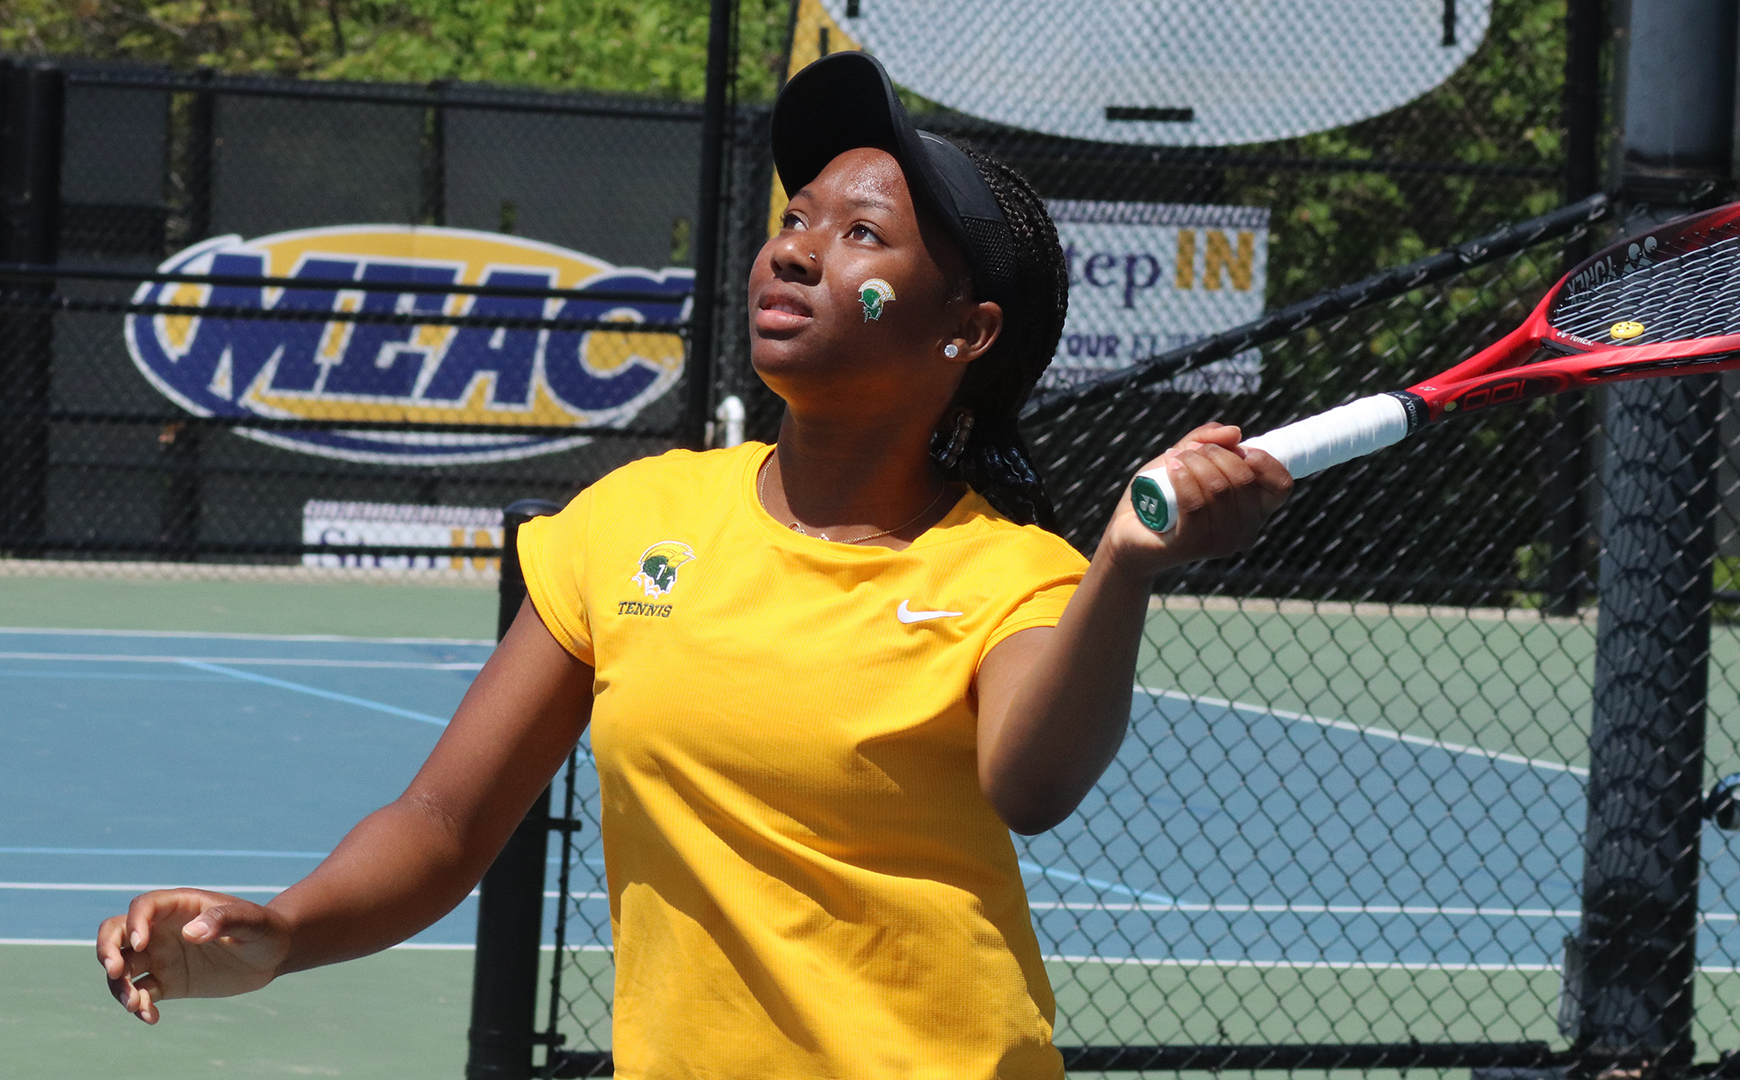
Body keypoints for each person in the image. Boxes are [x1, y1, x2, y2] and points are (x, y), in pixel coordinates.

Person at [97, 52, 1291, 1079]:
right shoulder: (637, 518)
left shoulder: (1014, 575)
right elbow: (443, 820)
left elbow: (1032, 787)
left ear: (964, 331)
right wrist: (282, 928)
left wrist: (1126, 566)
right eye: (797, 219)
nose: (800, 252)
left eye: (861, 234)